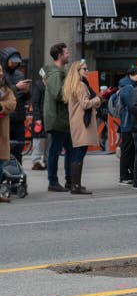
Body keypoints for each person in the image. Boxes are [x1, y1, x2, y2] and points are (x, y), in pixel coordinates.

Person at [63, 60, 101, 194]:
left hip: (77, 122)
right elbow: (85, 104)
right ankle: (75, 186)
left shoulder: (74, 85)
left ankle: (75, 184)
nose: (87, 71)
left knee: (78, 152)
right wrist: (97, 99)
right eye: (84, 69)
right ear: (77, 71)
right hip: (81, 123)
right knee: (79, 153)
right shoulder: (80, 86)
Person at [43, 43, 73, 192]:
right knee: (55, 150)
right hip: (57, 119)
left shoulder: (59, 72)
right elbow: (58, 94)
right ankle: (53, 182)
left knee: (70, 149)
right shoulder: (56, 74)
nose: (68, 55)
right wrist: (73, 93)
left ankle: (70, 180)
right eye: (66, 53)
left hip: (62, 119)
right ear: (60, 55)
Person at [0, 47, 30, 164]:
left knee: (18, 150)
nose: (14, 63)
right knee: (4, 152)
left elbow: (26, 98)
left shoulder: (20, 75)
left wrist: (27, 91)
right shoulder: (2, 76)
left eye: (16, 61)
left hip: (19, 118)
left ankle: (18, 176)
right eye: (12, 60)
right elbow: (4, 93)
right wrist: (16, 87)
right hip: (5, 119)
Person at [117, 67, 137, 185]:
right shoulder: (127, 87)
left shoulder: (131, 86)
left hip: (129, 123)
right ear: (131, 75)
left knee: (131, 150)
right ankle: (123, 176)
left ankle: (130, 174)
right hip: (127, 123)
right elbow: (131, 104)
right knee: (126, 150)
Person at [0, 66, 17, 202]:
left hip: (2, 134)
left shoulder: (6, 90)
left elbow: (12, 103)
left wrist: (2, 106)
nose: (0, 73)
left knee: (0, 163)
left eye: (1, 71)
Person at [30, 68, 48, 170]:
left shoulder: (48, 86)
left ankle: (45, 160)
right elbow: (35, 103)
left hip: (47, 117)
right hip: (40, 118)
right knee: (38, 141)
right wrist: (37, 118)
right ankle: (36, 161)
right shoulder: (38, 86)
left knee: (46, 141)